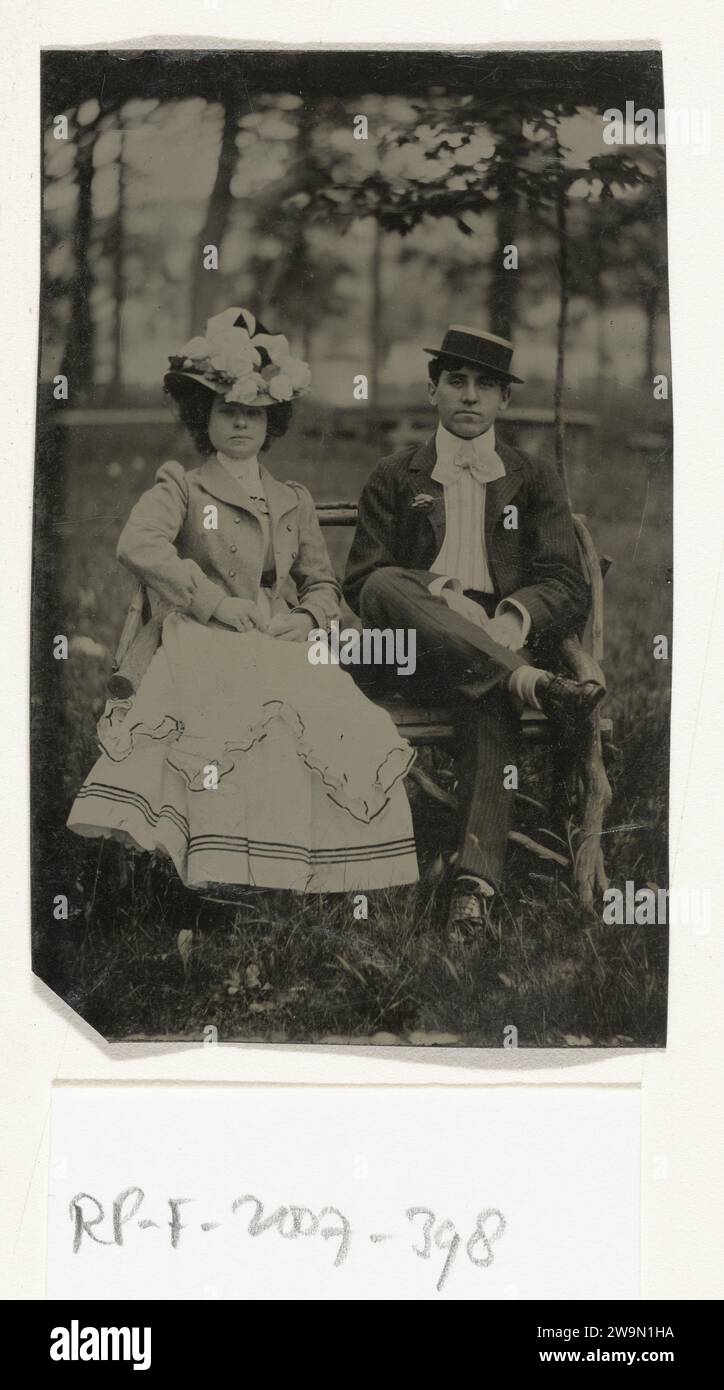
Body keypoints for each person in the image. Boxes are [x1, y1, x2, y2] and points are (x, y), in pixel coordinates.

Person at [67, 307, 418, 895]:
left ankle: (291, 864)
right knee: (231, 716)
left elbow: (322, 583)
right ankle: (219, 868)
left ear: (271, 422)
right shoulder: (183, 483)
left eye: (254, 415)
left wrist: (307, 618)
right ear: (204, 418)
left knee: (326, 712)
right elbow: (138, 543)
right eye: (227, 412)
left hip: (276, 633)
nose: (240, 426)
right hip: (202, 630)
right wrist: (213, 602)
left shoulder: (291, 497)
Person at [343, 323, 604, 937]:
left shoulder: (533, 478)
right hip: (407, 648)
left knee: (489, 695)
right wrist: (448, 603)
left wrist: (512, 620)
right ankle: (532, 683)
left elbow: (567, 583)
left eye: (486, 386)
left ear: (504, 402)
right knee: (387, 584)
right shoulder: (394, 474)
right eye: (455, 381)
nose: (469, 396)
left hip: (500, 644)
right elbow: (364, 583)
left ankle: (473, 887)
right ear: (433, 390)